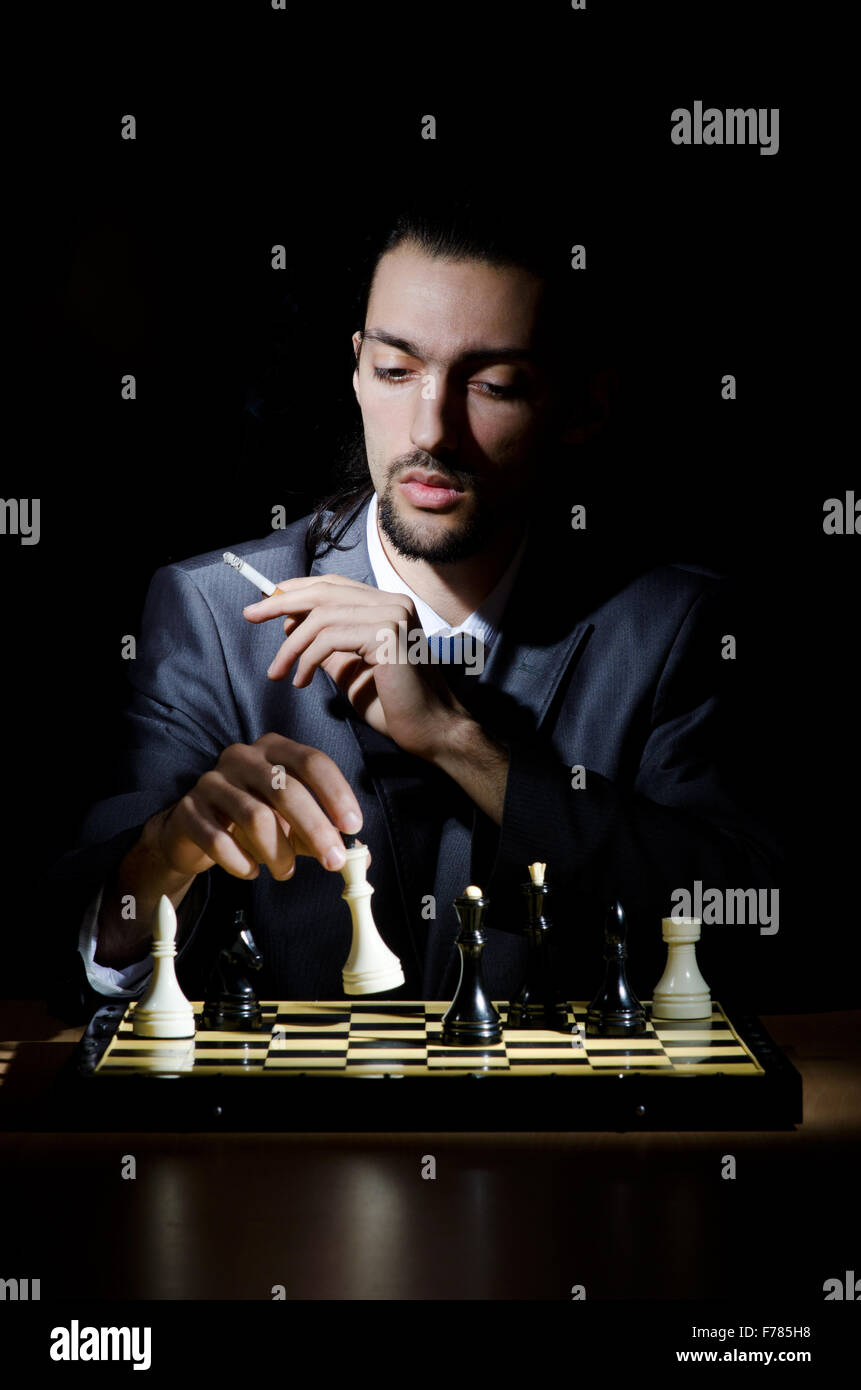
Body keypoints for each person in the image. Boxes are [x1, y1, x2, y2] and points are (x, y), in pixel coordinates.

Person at [47, 198, 780, 1019]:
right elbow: (90, 956)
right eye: (397, 371)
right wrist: (165, 854)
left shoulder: (671, 626)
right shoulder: (213, 612)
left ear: (585, 408)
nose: (430, 428)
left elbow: (755, 924)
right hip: (280, 1144)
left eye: (494, 384)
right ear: (356, 368)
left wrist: (459, 738)